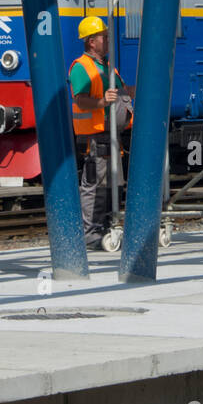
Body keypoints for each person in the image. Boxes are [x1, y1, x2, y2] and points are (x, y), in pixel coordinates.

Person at [69, 15, 133, 252]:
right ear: (90, 42)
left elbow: (123, 92)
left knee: (112, 184)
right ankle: (90, 234)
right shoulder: (81, 67)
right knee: (94, 185)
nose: (107, 40)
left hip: (112, 135)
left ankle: (107, 227)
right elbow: (80, 99)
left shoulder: (108, 66)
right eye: (103, 37)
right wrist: (102, 102)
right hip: (94, 137)